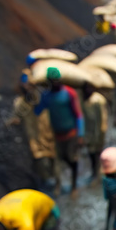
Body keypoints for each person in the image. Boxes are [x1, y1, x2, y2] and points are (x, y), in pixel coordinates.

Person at [34, 67, 83, 198]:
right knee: (58, 160)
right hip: (57, 135)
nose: (56, 83)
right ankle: (58, 184)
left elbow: (78, 114)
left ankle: (74, 186)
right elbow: (38, 110)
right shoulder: (46, 96)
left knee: (71, 159)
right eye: (53, 81)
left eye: (57, 80)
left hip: (71, 133)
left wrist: (80, 134)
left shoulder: (69, 93)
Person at [8, 70, 58, 188]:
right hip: (33, 135)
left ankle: (56, 181)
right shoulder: (20, 102)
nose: (28, 87)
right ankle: (46, 182)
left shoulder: (40, 96)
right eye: (26, 85)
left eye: (30, 85)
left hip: (47, 131)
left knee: (53, 156)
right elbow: (17, 115)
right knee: (39, 159)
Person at [82, 80, 108, 182]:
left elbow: (102, 118)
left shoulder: (98, 100)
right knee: (91, 153)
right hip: (89, 132)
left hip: (98, 132)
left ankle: (98, 173)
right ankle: (94, 172)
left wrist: (100, 133)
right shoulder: (85, 100)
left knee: (97, 152)